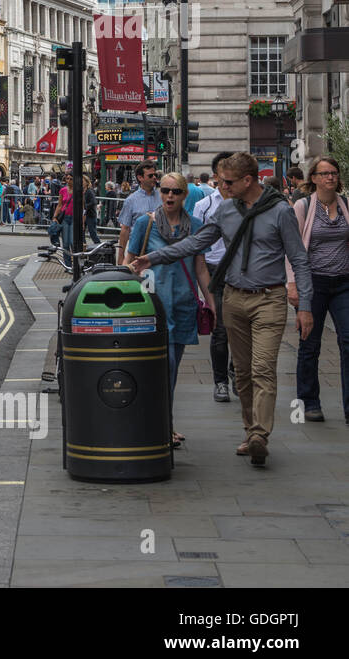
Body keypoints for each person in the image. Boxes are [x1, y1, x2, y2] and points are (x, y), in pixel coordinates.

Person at [130, 153, 314, 468]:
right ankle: (249, 431)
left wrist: (305, 306)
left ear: (248, 180)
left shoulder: (281, 212)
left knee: (262, 369)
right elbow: (195, 243)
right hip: (234, 298)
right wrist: (154, 258)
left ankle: (260, 434)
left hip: (269, 298)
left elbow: (299, 259)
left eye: (227, 182)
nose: (222, 186)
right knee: (241, 374)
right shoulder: (226, 210)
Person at [125, 171, 213, 447]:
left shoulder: (196, 225)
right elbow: (129, 262)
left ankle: (164, 423)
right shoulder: (144, 224)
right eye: (165, 191)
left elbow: (200, 267)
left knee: (170, 372)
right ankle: (159, 425)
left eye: (175, 192)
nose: (170, 196)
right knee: (163, 367)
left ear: (185, 195)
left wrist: (213, 305)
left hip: (183, 307)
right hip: (150, 307)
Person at [285, 156, 349, 424]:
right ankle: (308, 403)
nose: (330, 178)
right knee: (309, 345)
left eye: (333, 173)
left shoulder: (346, 205)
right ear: (313, 178)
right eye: (324, 174)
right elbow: (292, 248)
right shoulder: (303, 206)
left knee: (348, 341)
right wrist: (292, 284)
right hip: (313, 284)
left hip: (344, 283)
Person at [194, 152, 235, 402]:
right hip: (215, 270)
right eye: (223, 172)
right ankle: (220, 381)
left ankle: (237, 372)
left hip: (242, 272)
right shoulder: (205, 205)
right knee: (220, 328)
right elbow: (195, 245)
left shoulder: (250, 204)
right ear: (216, 176)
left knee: (241, 329)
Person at [117, 161, 162, 263]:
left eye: (155, 175)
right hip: (137, 251)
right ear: (140, 178)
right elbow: (125, 230)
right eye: (150, 175)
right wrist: (121, 256)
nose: (154, 177)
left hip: (158, 250)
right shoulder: (131, 200)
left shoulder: (162, 197)